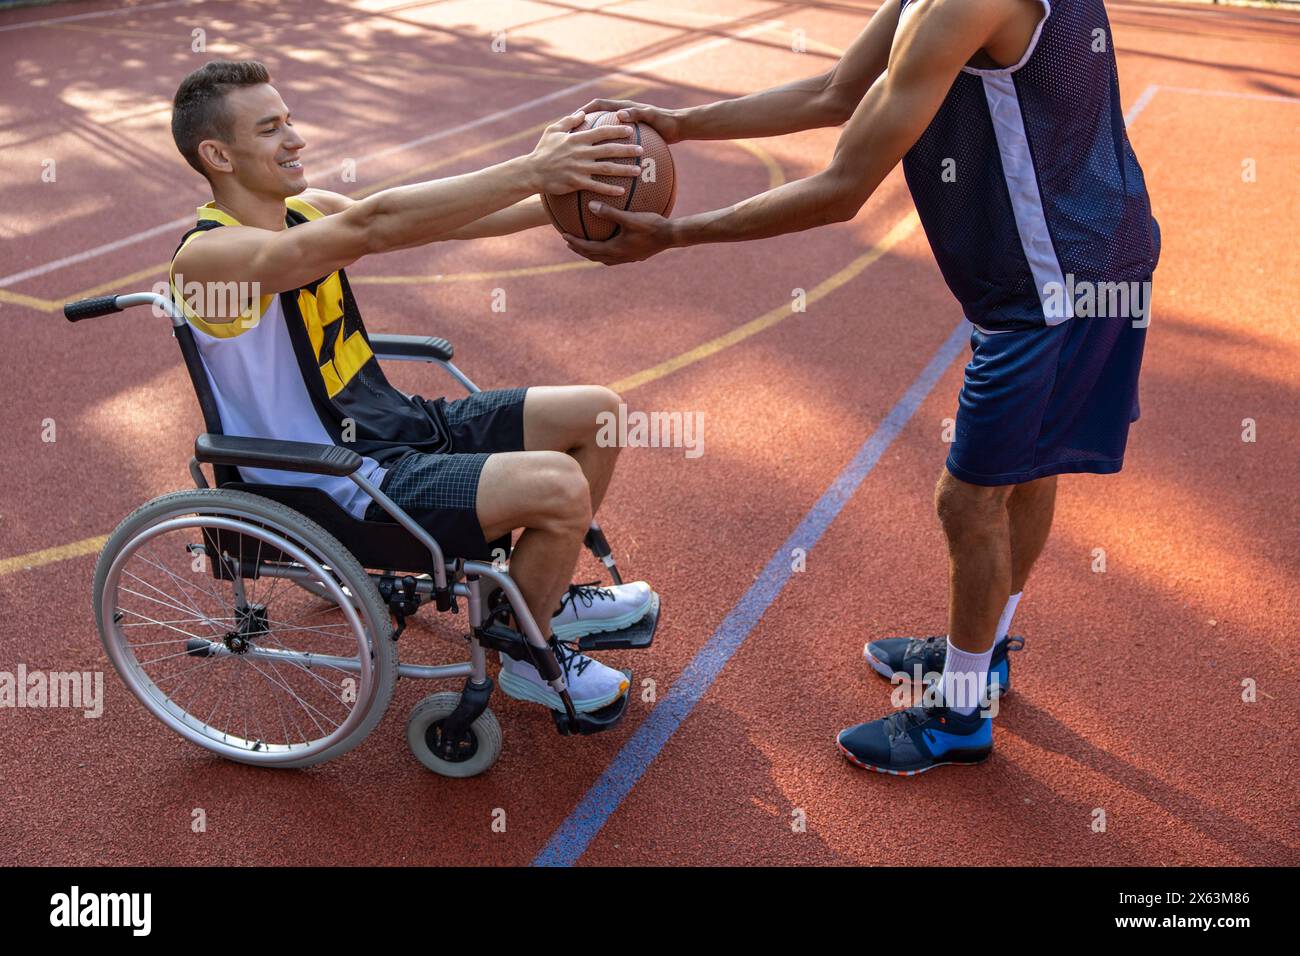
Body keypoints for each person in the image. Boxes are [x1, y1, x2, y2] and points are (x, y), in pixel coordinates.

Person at [566, 0, 1159, 772]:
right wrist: (678, 123)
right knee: (1025, 468)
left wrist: (677, 235)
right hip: (1071, 261)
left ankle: (959, 714)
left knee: (969, 500)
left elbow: (843, 187)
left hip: (1058, 287)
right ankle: (980, 656)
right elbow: (836, 92)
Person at [168, 59, 657, 714]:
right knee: (559, 487)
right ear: (218, 155)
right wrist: (534, 169)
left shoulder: (305, 210)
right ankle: (528, 655)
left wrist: (573, 199)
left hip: (391, 425)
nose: (295, 139)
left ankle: (531, 600)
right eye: (270, 129)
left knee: (599, 415)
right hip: (336, 476)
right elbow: (374, 224)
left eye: (289, 121)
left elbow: (438, 219)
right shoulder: (206, 260)